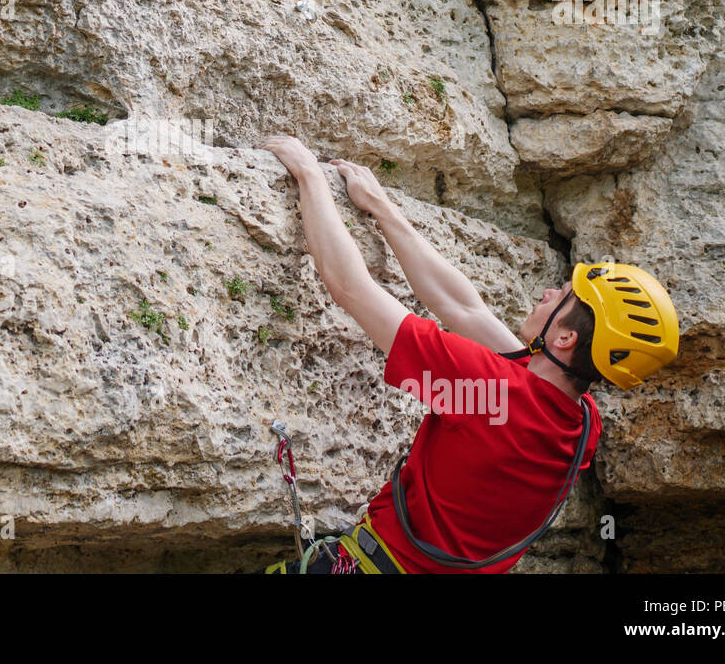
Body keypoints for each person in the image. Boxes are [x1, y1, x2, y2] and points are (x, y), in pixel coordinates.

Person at [258, 135, 679, 574]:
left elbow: (350, 286)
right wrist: (383, 210)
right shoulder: (581, 424)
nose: (550, 291)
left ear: (566, 339)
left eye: (564, 297)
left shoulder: (484, 388)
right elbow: (464, 308)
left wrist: (308, 173)